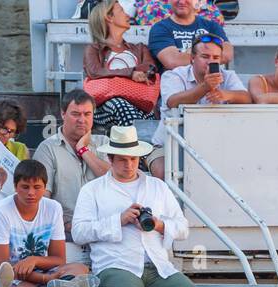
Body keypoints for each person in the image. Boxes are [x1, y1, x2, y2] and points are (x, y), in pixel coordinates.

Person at [71, 124, 193, 287]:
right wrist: (118, 220)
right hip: (116, 265)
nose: (129, 165)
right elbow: (79, 233)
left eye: (133, 159)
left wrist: (159, 225)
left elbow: (183, 228)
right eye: (122, 159)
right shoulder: (92, 190)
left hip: (160, 267)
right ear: (110, 158)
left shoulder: (158, 186)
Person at [0, 158, 96, 287]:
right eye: (25, 187)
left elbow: (59, 259)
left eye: (37, 187)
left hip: (34, 270)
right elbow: (2, 267)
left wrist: (34, 260)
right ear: (15, 186)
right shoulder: (0, 212)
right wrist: (46, 278)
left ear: (45, 187)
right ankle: (53, 284)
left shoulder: (53, 208)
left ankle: (60, 284)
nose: (31, 193)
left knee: (80, 269)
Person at [148, 34, 249, 180]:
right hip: (169, 146)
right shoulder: (173, 75)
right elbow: (173, 102)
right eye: (205, 56)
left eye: (215, 58)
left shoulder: (228, 76)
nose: (210, 62)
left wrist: (227, 95)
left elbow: (247, 98)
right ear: (192, 59)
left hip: (214, 146)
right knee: (164, 172)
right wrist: (205, 87)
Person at [33, 89, 109, 240]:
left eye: (87, 114)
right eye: (75, 114)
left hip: (104, 228)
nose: (82, 120)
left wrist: (83, 150)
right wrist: (66, 226)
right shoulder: (47, 148)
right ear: (63, 114)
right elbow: (42, 200)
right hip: (64, 231)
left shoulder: (104, 144)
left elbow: (115, 179)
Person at [83, 0, 158, 135]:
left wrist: (131, 75)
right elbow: (95, 72)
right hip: (106, 107)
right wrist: (131, 73)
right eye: (122, 11)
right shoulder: (94, 49)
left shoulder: (140, 48)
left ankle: (136, 152)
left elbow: (150, 68)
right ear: (109, 17)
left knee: (146, 114)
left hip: (139, 102)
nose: (128, 15)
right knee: (121, 106)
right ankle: (135, 154)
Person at [148, 0, 230, 70]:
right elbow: (173, 61)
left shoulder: (211, 26)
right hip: (177, 83)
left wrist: (190, 54)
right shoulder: (160, 28)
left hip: (211, 78)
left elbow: (227, 54)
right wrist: (212, 55)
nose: (182, 2)